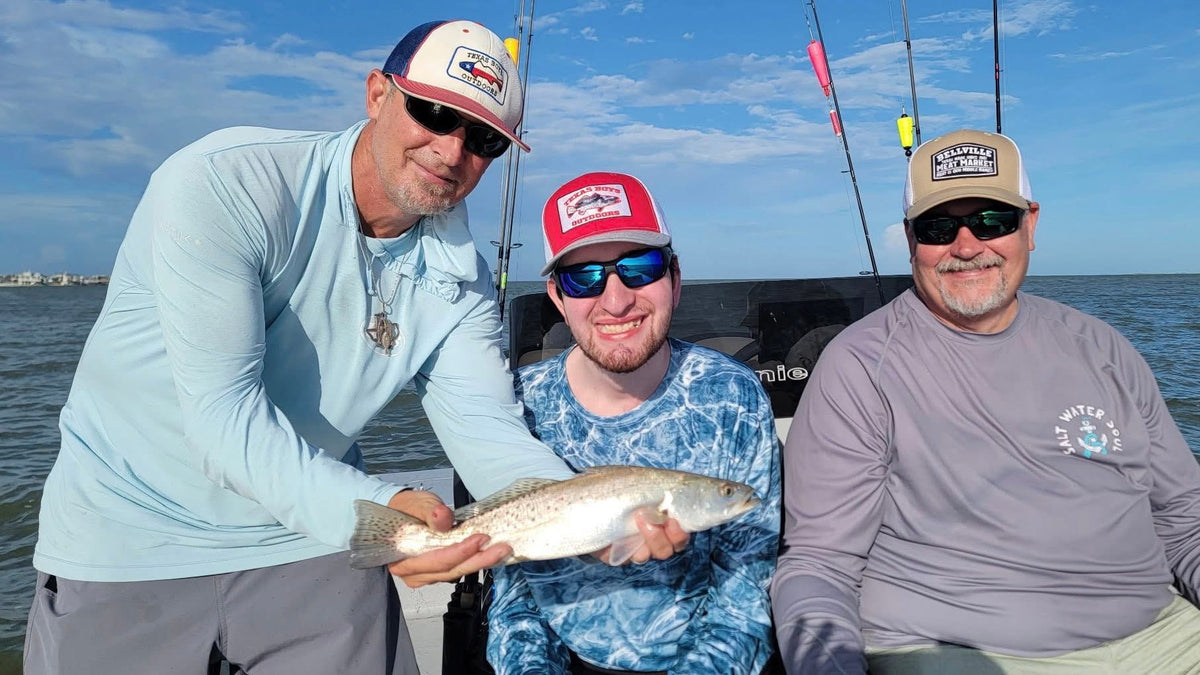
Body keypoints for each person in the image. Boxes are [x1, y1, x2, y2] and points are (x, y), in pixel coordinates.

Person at [24, 21, 684, 675]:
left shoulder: (463, 279)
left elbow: (488, 431)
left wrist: (599, 520)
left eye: (483, 138)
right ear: (377, 94)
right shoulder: (226, 184)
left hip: (315, 542)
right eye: (434, 112)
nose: (452, 152)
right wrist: (380, 514)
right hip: (128, 540)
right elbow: (225, 420)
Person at [771, 129, 1200, 673]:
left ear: (1031, 224)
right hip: (960, 651)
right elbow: (819, 563)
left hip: (1166, 633)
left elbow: (1185, 518)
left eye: (993, 220)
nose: (968, 245)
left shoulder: (1103, 346)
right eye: (938, 226)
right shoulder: (859, 366)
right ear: (910, 240)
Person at [486, 172, 782, 674]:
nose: (617, 299)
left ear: (675, 279)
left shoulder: (731, 397)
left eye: (640, 268)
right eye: (585, 277)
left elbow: (746, 595)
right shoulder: (519, 404)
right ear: (557, 296)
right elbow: (514, 596)